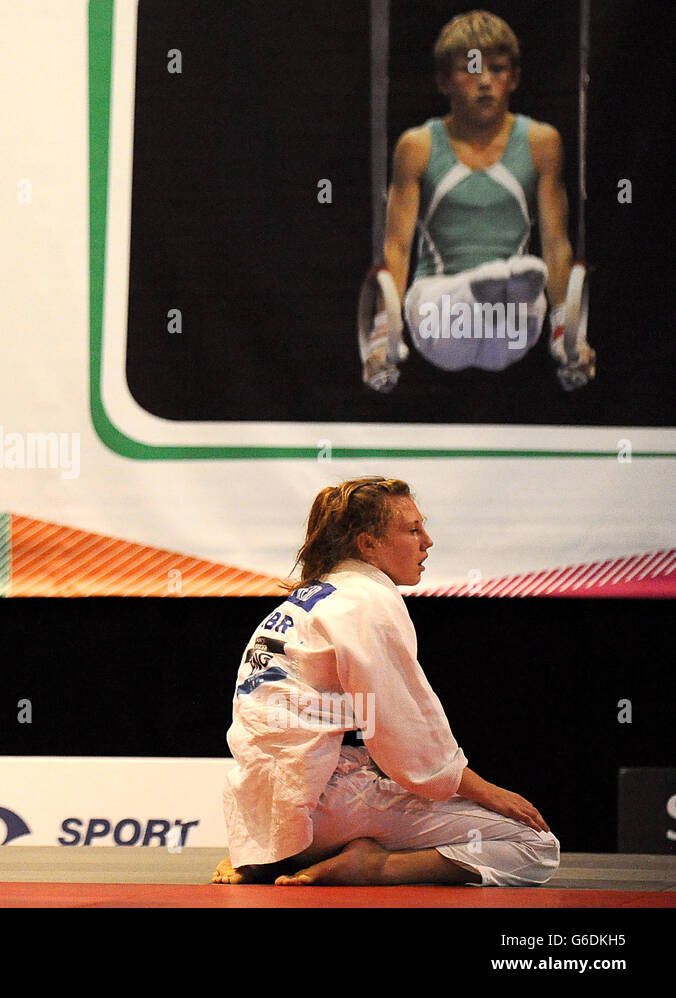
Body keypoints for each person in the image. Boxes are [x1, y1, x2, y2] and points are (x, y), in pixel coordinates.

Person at [213, 477, 559, 886]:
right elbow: (405, 732)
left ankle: (282, 855)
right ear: (368, 544)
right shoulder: (367, 601)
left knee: (389, 785)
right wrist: (486, 791)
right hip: (326, 801)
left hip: (262, 813)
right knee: (535, 846)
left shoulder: (309, 599)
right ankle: (373, 865)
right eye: (412, 530)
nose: (426, 541)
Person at [364, 10, 596, 391]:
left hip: (512, 332)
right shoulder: (419, 147)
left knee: (522, 295)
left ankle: (504, 292)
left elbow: (556, 246)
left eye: (497, 68)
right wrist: (382, 334)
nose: (485, 81)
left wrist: (565, 328)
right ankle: (482, 289)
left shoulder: (541, 144)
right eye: (470, 68)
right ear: (444, 81)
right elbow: (398, 247)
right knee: (482, 296)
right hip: (438, 312)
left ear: (515, 78)